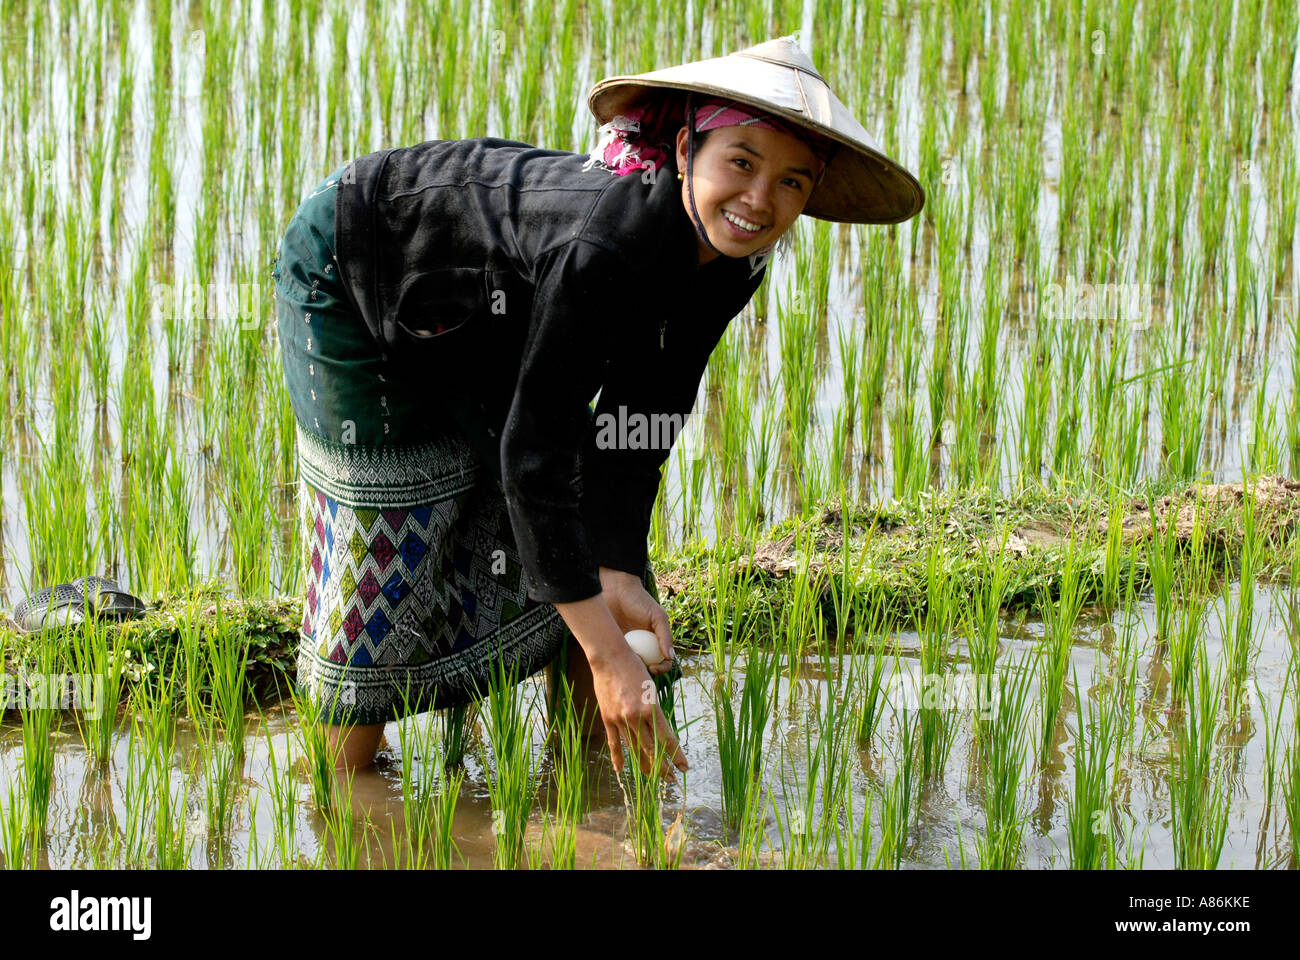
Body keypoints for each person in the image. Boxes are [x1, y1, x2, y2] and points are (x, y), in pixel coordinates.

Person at [271, 35, 923, 781]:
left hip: (480, 315)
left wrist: (617, 563)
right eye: (740, 162)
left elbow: (647, 408)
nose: (758, 201)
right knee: (387, 527)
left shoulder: (736, 258)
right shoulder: (607, 247)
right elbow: (532, 455)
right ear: (685, 150)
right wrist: (610, 653)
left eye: (791, 184)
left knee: (595, 533)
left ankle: (594, 781)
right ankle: (343, 790)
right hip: (357, 261)